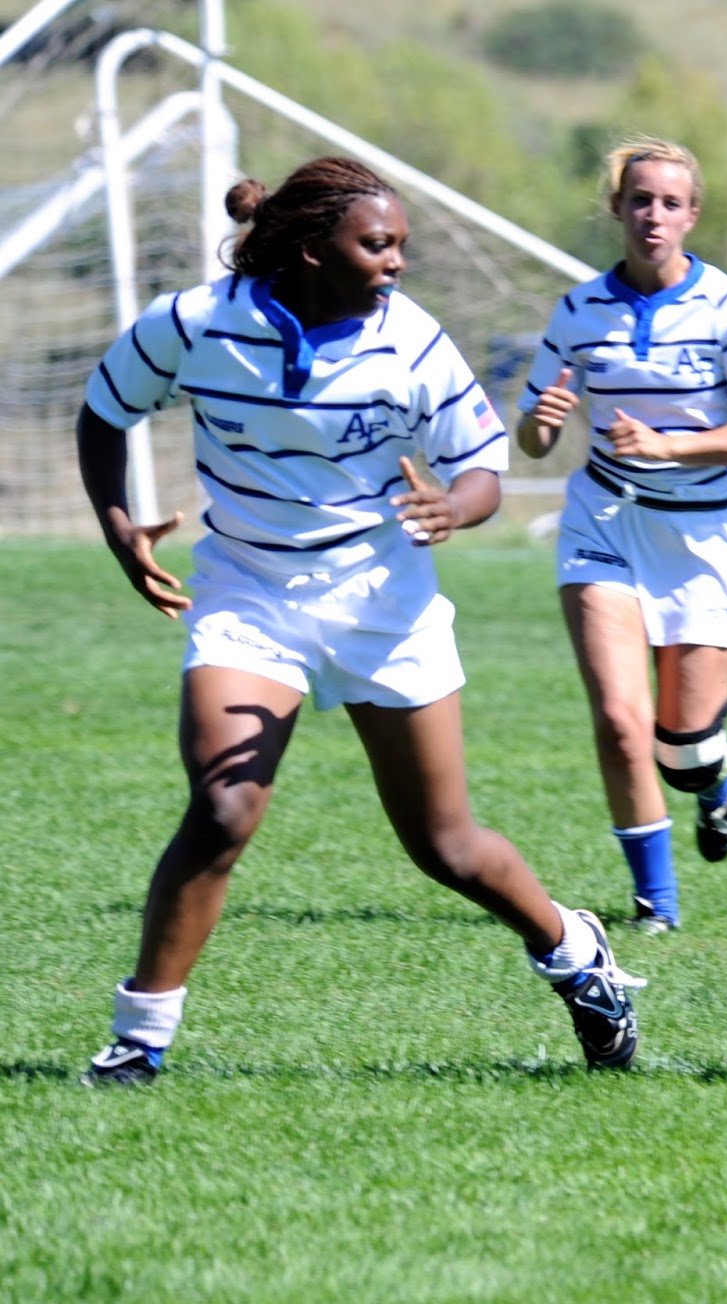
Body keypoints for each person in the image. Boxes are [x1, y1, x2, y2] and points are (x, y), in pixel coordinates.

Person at [77, 156, 643, 1084]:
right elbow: (105, 411)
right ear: (309, 249)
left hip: (385, 605)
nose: (398, 263)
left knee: (447, 848)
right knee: (222, 813)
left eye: (402, 245)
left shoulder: (412, 343)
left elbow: (481, 469)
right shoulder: (195, 321)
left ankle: (576, 955)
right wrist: (117, 528)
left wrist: (454, 511)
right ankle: (140, 1040)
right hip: (250, 597)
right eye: (378, 244)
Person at [516, 136, 727, 934]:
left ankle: (715, 788)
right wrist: (539, 425)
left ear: (692, 215)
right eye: (640, 200)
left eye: (670, 203)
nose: (653, 215)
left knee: (683, 744)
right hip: (605, 523)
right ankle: (656, 906)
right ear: (617, 209)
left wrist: (672, 446)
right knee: (618, 721)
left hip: (704, 537)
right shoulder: (579, 310)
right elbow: (531, 439)